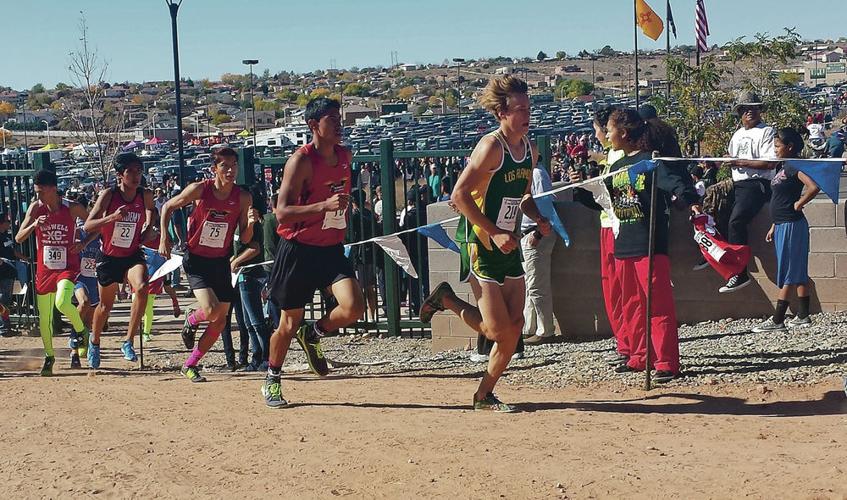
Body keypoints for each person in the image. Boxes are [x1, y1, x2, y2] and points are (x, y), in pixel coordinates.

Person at [420, 76, 551, 412]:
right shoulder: (491, 147)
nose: (527, 114)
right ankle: (447, 300)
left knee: (515, 329)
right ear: (501, 114)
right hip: (481, 242)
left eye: (528, 108)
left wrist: (538, 217)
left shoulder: (529, 150)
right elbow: (459, 196)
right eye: (519, 109)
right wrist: (493, 231)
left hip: (508, 244)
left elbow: (522, 197)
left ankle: (483, 395)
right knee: (496, 331)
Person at [262, 97, 365, 408]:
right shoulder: (301, 161)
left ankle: (314, 333)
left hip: (330, 248)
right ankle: (272, 378)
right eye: (332, 119)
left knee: (354, 307)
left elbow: (337, 193)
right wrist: (323, 206)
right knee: (287, 324)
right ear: (313, 126)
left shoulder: (345, 155)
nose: (339, 123)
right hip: (298, 251)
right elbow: (281, 212)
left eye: (339, 117)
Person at [601, 108, 701, 383]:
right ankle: (639, 354)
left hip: (649, 243)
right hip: (624, 244)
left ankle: (666, 361)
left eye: (609, 130)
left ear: (623, 132)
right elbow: (608, 201)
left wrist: (689, 200)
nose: (607, 135)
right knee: (632, 304)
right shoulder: (616, 167)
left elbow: (680, 185)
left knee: (657, 305)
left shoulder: (653, 163)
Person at [159, 147, 258, 383]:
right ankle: (192, 317)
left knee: (220, 320)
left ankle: (190, 364)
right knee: (212, 311)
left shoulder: (243, 197)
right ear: (214, 169)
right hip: (197, 260)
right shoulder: (200, 190)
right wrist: (164, 236)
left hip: (220, 262)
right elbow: (167, 207)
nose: (231, 170)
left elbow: (244, 239)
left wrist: (251, 223)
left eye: (234, 165)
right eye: (224, 165)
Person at [16, 170, 92, 374]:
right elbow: (18, 238)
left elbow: (95, 225)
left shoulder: (72, 207)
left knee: (61, 302)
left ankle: (81, 330)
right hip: (44, 269)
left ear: (53, 189)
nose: (38, 196)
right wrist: (34, 224)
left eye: (41, 192)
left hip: (67, 267)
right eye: (36, 192)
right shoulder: (35, 208)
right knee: (45, 318)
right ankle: (49, 357)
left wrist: (83, 242)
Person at [84, 153, 156, 368]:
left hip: (132, 253)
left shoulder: (145, 194)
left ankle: (128, 341)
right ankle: (94, 341)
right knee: (105, 307)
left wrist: (149, 228)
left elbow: (152, 210)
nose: (136, 176)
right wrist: (112, 217)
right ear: (120, 175)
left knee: (142, 288)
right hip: (108, 256)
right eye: (130, 171)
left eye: (139, 171)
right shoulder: (109, 195)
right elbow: (88, 225)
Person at [572, 106, 628, 366]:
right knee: (612, 290)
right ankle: (624, 342)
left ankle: (628, 344)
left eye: (600, 130)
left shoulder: (619, 156)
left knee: (620, 290)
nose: (598, 135)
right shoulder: (610, 155)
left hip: (617, 228)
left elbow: (613, 198)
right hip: (608, 227)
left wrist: (587, 190)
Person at [753, 128, 820, 332]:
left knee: (790, 270)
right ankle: (803, 315)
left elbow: (813, 187)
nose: (775, 150)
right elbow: (780, 199)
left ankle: (778, 319)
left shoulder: (793, 166)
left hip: (792, 224)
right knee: (796, 268)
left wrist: (800, 203)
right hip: (782, 224)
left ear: (789, 147)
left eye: (777, 146)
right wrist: (774, 225)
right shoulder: (782, 167)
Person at [715, 91, 777, 293]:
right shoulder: (737, 134)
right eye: (745, 109)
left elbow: (768, 163)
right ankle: (716, 255)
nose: (750, 112)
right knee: (714, 209)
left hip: (756, 184)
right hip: (738, 184)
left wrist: (738, 161)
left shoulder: (766, 131)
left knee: (737, 220)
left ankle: (739, 272)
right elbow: (732, 160)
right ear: (739, 113)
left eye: (754, 107)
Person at [520, 154, 557, 345]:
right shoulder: (531, 174)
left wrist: (539, 233)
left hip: (536, 233)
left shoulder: (537, 174)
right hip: (529, 233)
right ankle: (530, 327)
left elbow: (544, 206)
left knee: (536, 284)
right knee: (529, 283)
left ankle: (545, 330)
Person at [0, 212, 28, 336]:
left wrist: (25, 258)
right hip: (3, 272)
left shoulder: (5, 236)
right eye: (7, 221)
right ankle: (4, 327)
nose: (9, 223)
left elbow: (13, 251)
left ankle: (5, 326)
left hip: (8, 272)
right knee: (3, 300)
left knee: (5, 300)